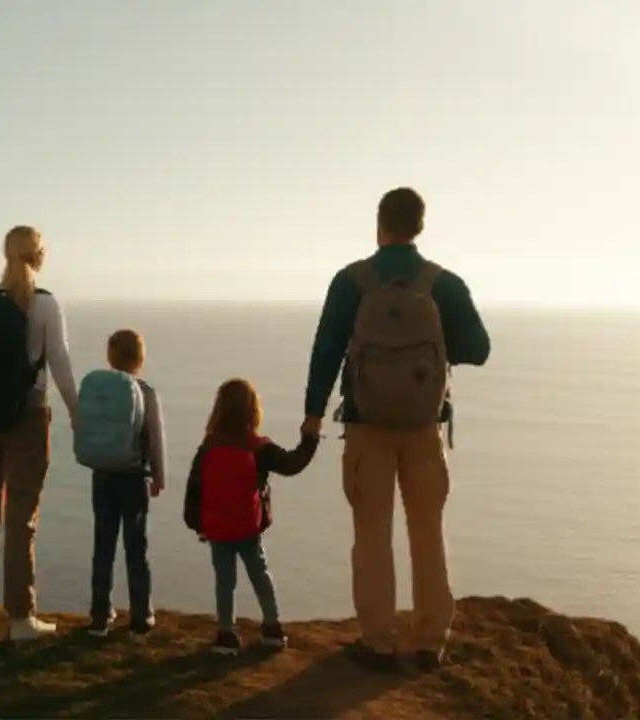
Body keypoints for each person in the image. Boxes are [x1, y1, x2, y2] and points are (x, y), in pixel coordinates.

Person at [301, 188, 490, 672]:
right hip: (426, 427)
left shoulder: (352, 281)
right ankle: (430, 640)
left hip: (367, 427)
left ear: (379, 223)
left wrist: (313, 414)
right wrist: (430, 354)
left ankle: (379, 641)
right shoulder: (442, 284)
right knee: (427, 532)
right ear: (420, 226)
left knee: (371, 533)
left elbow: (326, 349)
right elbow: (479, 348)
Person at [0, 225, 80, 640]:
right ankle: (20, 619)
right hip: (28, 418)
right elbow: (61, 365)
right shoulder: (45, 305)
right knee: (21, 520)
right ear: (39, 256)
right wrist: (77, 414)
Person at [184, 379, 318, 655]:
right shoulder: (258, 447)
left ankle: (226, 634)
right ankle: (272, 628)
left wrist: (196, 523)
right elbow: (293, 464)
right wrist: (310, 438)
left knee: (225, 581)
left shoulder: (208, 446)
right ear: (253, 411)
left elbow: (194, 488)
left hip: (217, 529)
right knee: (260, 575)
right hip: (248, 527)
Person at [79, 329, 168, 637]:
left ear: (110, 357)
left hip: (102, 474)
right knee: (136, 546)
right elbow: (154, 437)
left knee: (102, 545)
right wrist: (159, 475)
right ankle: (141, 616)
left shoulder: (99, 390)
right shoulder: (145, 390)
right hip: (133, 476)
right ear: (140, 359)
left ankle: (100, 616)